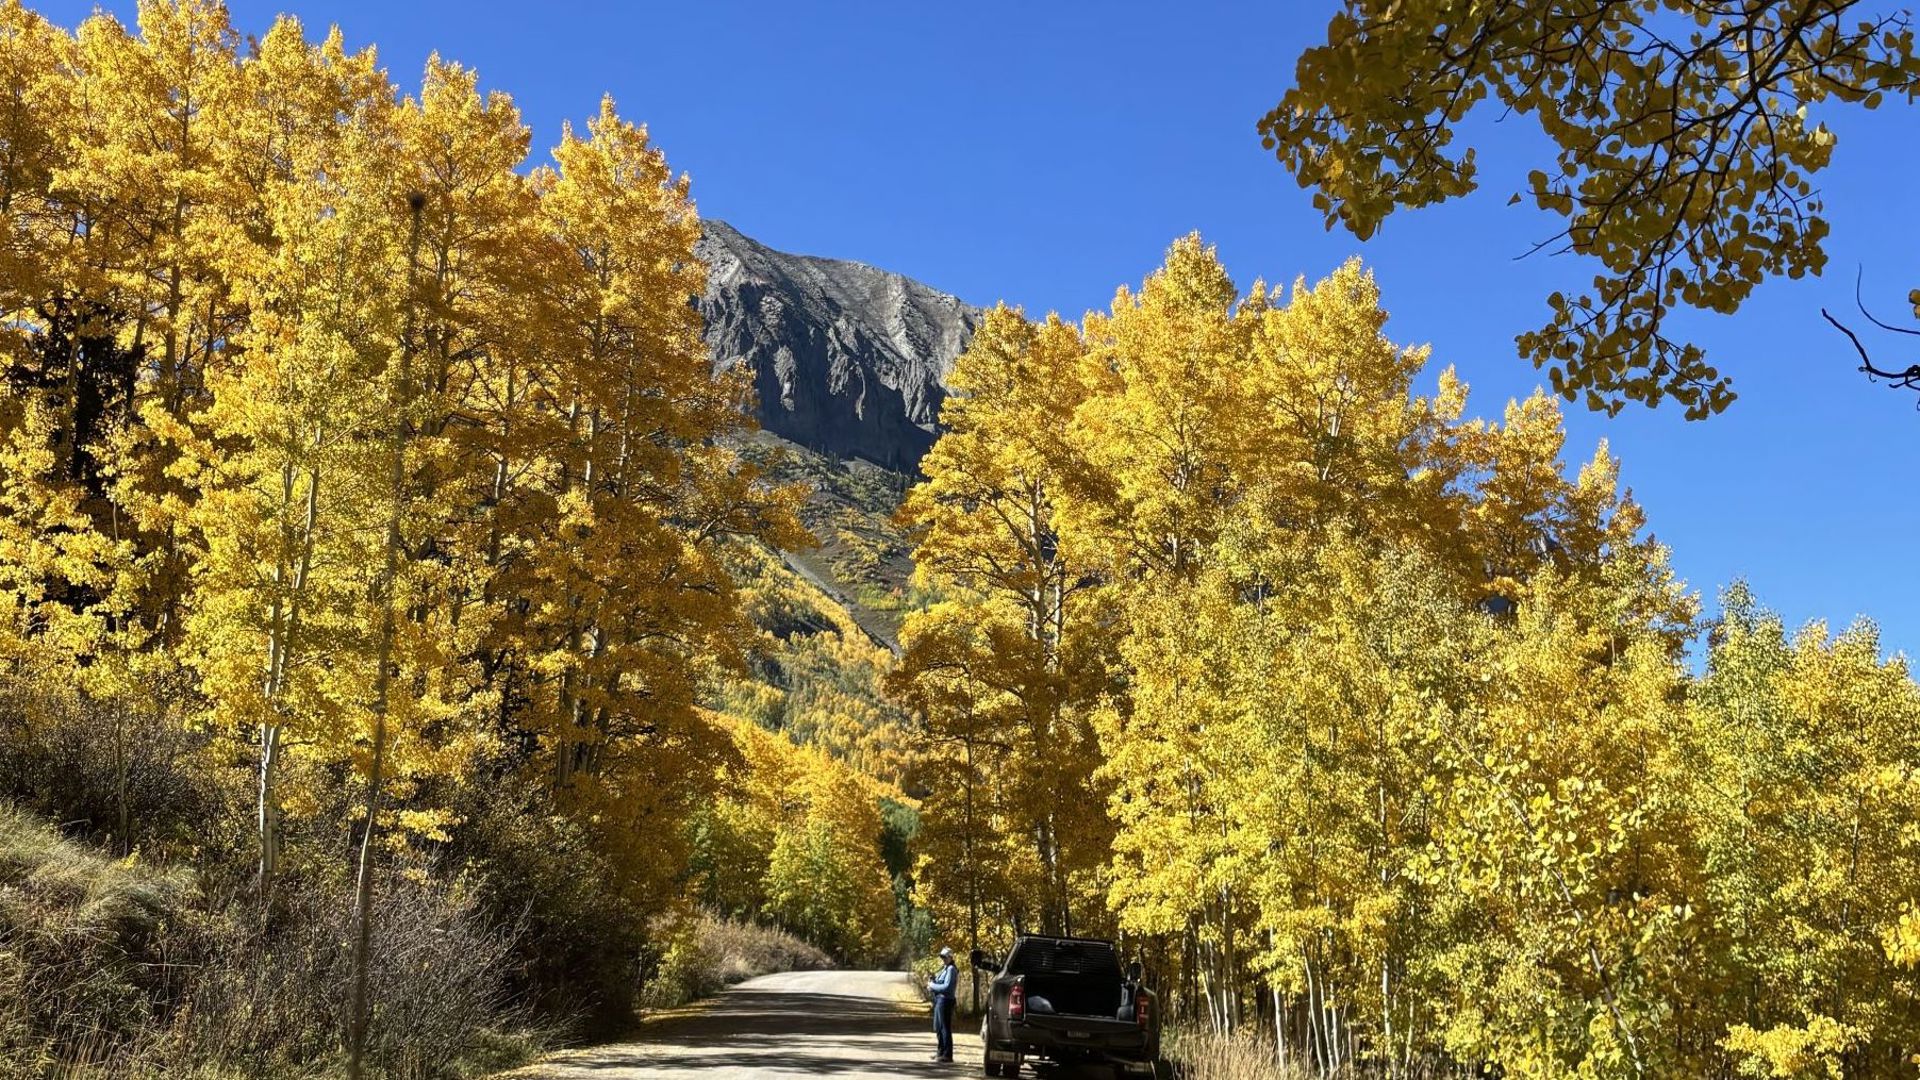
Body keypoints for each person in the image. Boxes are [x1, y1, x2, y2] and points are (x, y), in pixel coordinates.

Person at [926, 945, 957, 1062]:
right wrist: (933, 980)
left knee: (945, 1027)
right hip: (940, 1000)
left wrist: (932, 986)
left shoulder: (951, 970)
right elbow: (941, 983)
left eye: (945, 957)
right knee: (938, 1027)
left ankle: (947, 1054)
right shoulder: (945, 968)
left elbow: (947, 987)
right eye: (942, 957)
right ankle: (940, 1052)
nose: (943, 959)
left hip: (946, 1000)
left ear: (950, 957)